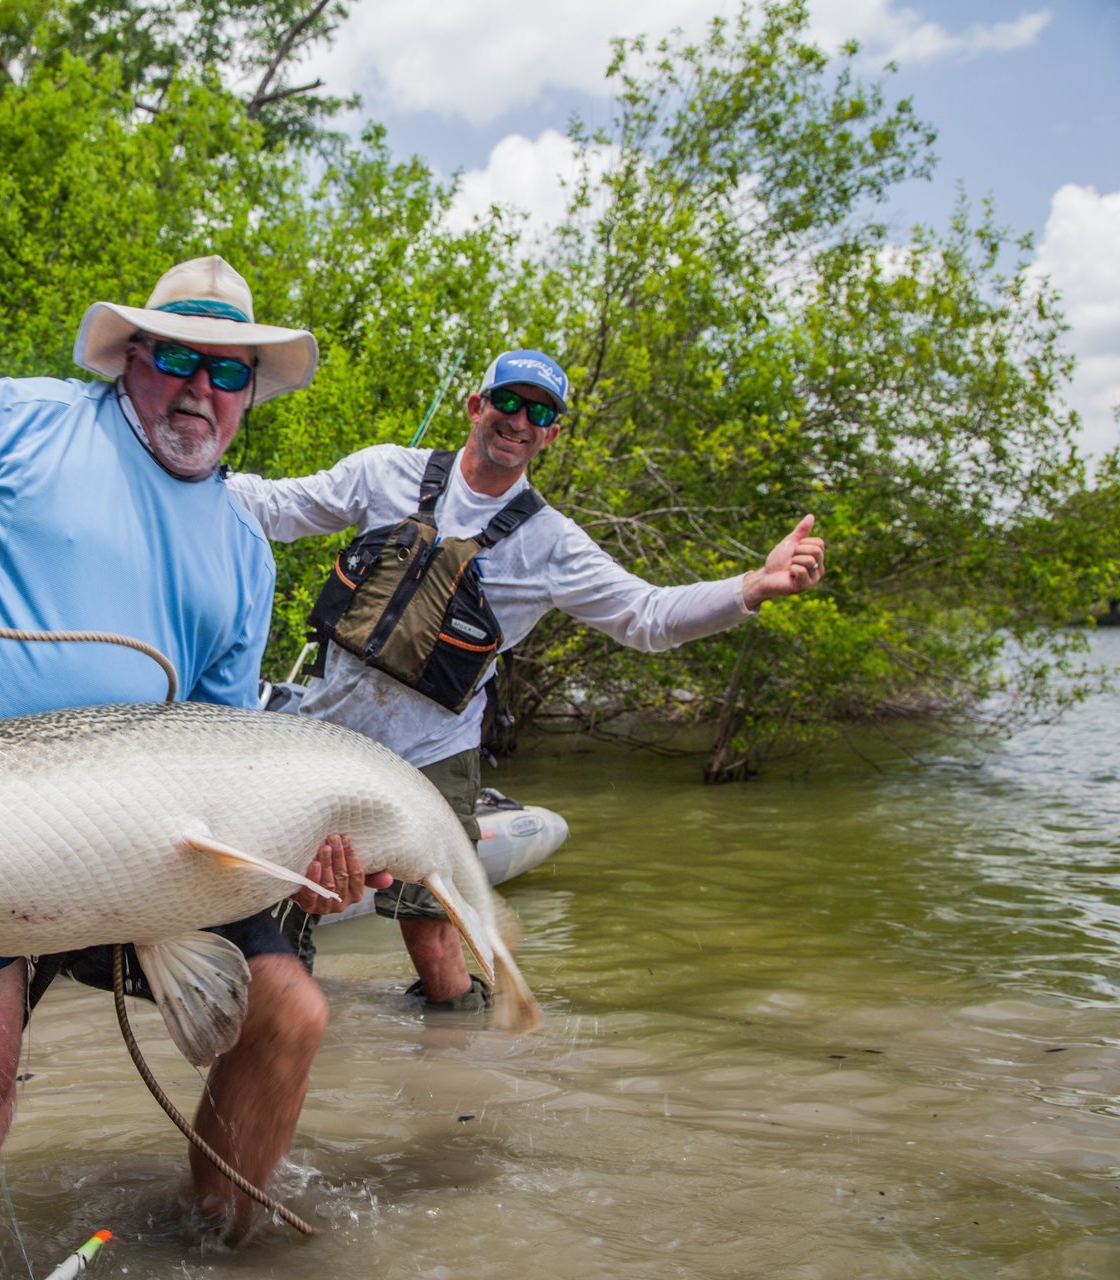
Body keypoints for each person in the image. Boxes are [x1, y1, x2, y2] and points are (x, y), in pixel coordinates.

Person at [0, 256, 378, 1278]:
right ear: (130, 357)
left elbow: (226, 751)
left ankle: (207, 1249)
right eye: (177, 357)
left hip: (142, 849)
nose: (201, 387)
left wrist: (303, 873)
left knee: (289, 1005)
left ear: (251, 392)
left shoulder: (247, 555)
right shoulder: (16, 417)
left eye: (230, 370)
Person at [228, 348, 827, 1010]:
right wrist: (190, 476)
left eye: (539, 412)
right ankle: (286, 1029)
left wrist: (755, 586)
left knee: (431, 931)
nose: (519, 420)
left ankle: (453, 1059)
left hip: (434, 755)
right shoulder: (384, 473)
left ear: (551, 433)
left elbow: (648, 617)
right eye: (508, 402)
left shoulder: (552, 543)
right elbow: (278, 507)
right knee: (283, 903)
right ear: (476, 407)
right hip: (329, 737)